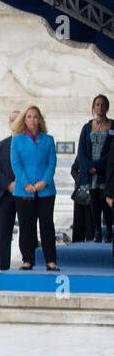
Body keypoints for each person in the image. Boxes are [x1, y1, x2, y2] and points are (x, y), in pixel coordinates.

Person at [11, 105, 57, 271]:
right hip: (24, 190)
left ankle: (51, 260)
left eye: (35, 116)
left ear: (40, 120)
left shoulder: (48, 139)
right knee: (26, 225)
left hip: (45, 190)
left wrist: (44, 182)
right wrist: (27, 184)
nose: (32, 120)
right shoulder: (17, 140)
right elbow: (16, 164)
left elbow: (52, 163)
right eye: (29, 116)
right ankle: (27, 259)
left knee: (46, 225)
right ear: (24, 120)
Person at [76, 95, 112, 244]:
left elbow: (112, 152)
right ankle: (98, 231)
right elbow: (82, 149)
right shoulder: (87, 127)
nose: (100, 107)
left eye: (103, 105)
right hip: (91, 174)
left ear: (107, 107)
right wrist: (88, 166)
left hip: (106, 171)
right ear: (93, 107)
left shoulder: (112, 126)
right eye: (97, 104)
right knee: (94, 202)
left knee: (106, 201)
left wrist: (98, 166)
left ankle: (109, 230)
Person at [0, 110, 20, 271]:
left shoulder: (30, 143)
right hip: (6, 194)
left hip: (25, 192)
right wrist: (9, 185)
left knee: (27, 230)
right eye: (12, 120)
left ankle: (27, 260)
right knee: (4, 232)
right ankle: (3, 263)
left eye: (17, 120)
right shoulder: (2, 145)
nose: (14, 123)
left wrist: (20, 183)